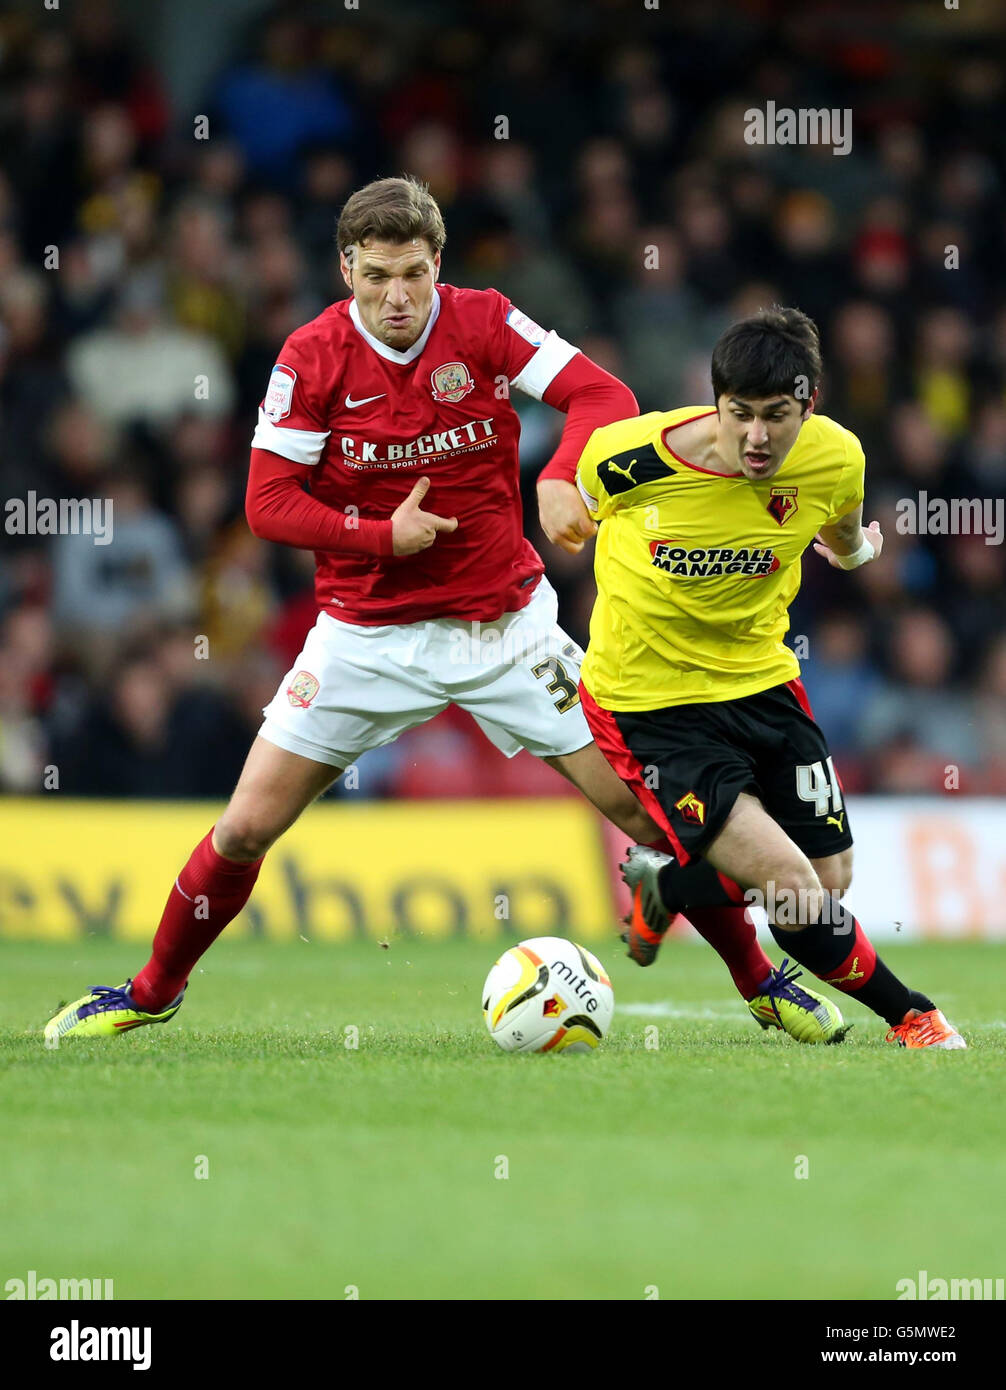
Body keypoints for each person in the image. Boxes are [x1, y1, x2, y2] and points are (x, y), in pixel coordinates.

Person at [46, 180, 834, 1046]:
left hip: (508, 629)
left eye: (414, 274)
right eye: (377, 276)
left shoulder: (485, 322)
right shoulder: (310, 358)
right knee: (242, 830)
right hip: (364, 636)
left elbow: (601, 397)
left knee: (656, 816)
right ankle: (151, 990)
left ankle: (761, 983)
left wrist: (560, 473)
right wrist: (382, 535)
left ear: (437, 266)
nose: (397, 297)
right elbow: (267, 501)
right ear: (346, 268)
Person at [574, 304, 966, 1049]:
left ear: (808, 404)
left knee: (830, 880)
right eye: (739, 414)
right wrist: (559, 509)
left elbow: (843, 537)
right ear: (714, 401)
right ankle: (912, 1016)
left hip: (763, 683)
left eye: (777, 416)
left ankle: (670, 885)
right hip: (653, 702)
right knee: (792, 891)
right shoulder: (631, 457)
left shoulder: (835, 458)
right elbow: (576, 500)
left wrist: (858, 555)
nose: (757, 437)